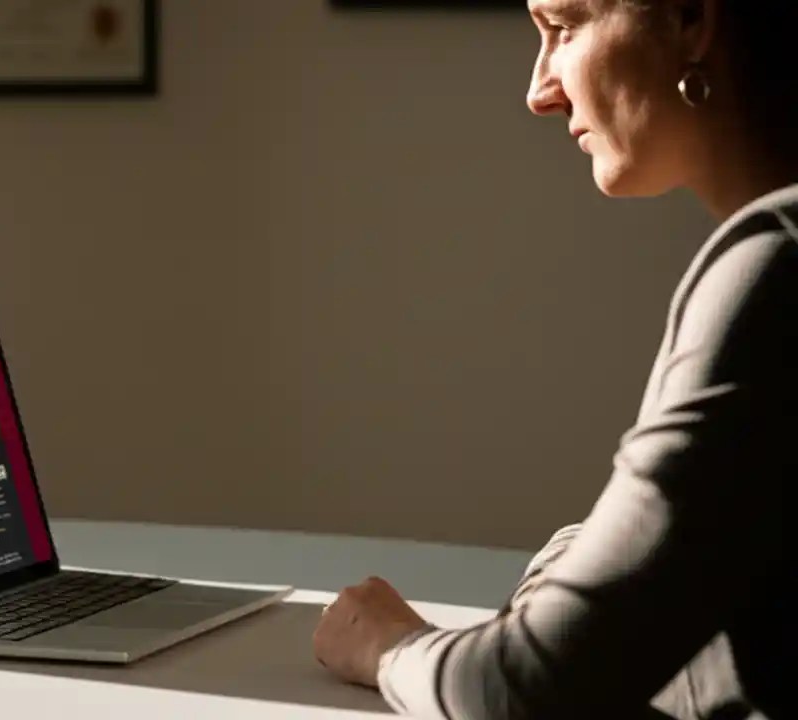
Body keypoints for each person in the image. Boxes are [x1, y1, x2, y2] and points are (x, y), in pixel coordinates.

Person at [312, 1, 796, 718]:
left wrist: (387, 644)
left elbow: (522, 692)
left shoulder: (774, 268)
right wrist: (584, 572)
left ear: (693, 18)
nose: (541, 89)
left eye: (564, 27)